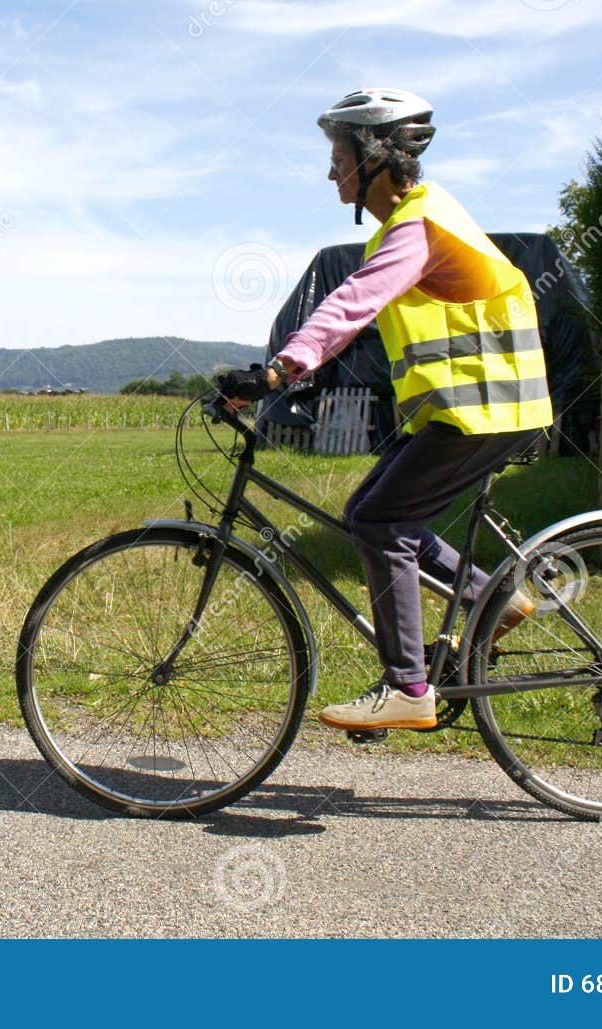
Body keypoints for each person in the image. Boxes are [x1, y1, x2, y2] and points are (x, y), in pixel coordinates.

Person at [219, 87, 553, 731]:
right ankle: (495, 599)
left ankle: (408, 687)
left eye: (338, 155)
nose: (330, 170)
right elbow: (352, 316)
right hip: (471, 410)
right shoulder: (412, 226)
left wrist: (278, 369)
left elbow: (352, 303)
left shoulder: (415, 227)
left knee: (382, 524)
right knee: (367, 513)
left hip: (486, 410)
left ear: (374, 156)